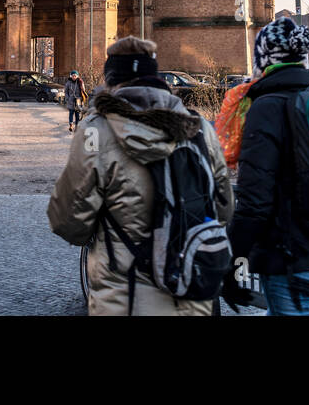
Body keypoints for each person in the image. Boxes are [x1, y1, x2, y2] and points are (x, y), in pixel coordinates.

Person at [48, 36, 233, 315]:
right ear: (155, 76)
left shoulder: (96, 131)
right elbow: (224, 208)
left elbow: (68, 220)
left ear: (111, 80)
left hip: (125, 299)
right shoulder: (198, 129)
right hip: (192, 295)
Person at [224, 17, 309, 316]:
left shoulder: (267, 108)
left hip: (296, 265)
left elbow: (255, 202)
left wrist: (232, 264)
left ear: (265, 59)